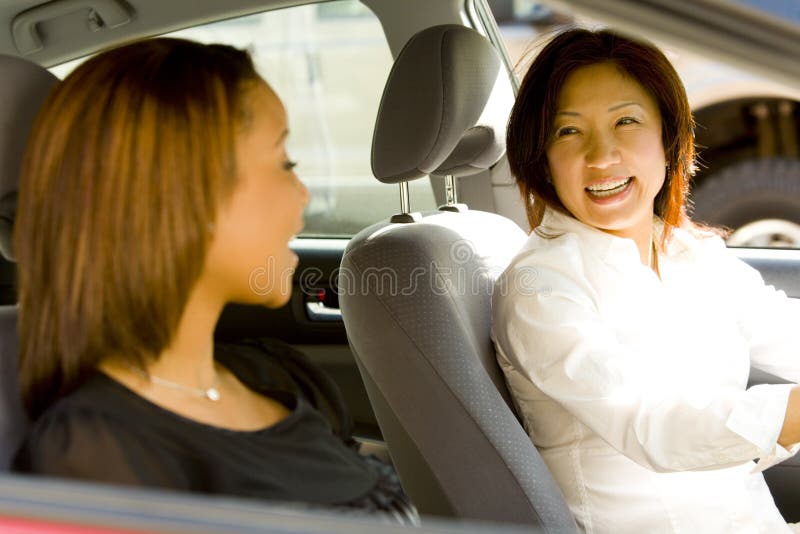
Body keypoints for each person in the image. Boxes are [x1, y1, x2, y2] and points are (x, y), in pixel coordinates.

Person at [12, 37, 415, 524]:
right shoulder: (94, 452)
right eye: (284, 161)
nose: (302, 192)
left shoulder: (281, 377)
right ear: (184, 193)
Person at [492, 28, 800, 533]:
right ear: (540, 154)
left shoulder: (688, 253)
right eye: (568, 132)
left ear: (668, 138)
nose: (601, 156)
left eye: (626, 122)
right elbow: (658, 426)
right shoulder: (539, 289)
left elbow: (783, 328)